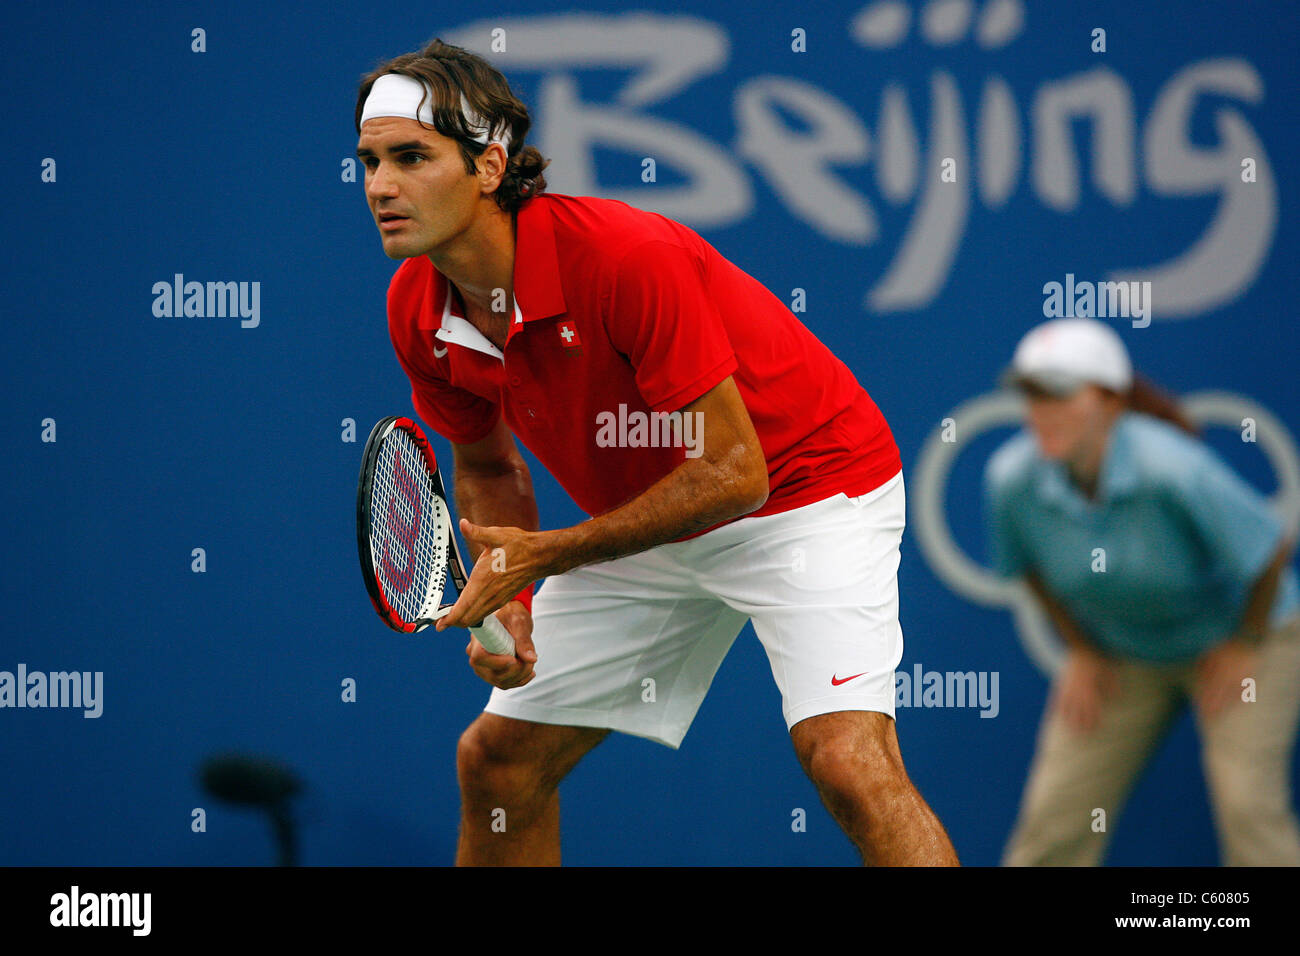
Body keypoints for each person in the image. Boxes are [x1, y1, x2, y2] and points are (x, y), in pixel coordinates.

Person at [354, 37, 958, 866]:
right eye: (370, 161)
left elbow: (736, 474)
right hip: (651, 521)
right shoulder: (417, 308)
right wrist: (515, 608)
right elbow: (490, 466)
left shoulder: (626, 258)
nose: (381, 186)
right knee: (497, 765)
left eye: (410, 157)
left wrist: (548, 555)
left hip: (806, 494)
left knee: (847, 763)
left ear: (489, 166)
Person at [985, 317, 1300, 866]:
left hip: (1251, 640)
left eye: (1058, 394)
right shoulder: (1010, 480)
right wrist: (1081, 648)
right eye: (1031, 396)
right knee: (1055, 816)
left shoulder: (1172, 468)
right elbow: (1028, 567)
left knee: (1249, 808)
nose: (1041, 412)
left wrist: (1245, 641)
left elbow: (1269, 548)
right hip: (1124, 652)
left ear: (1109, 402)